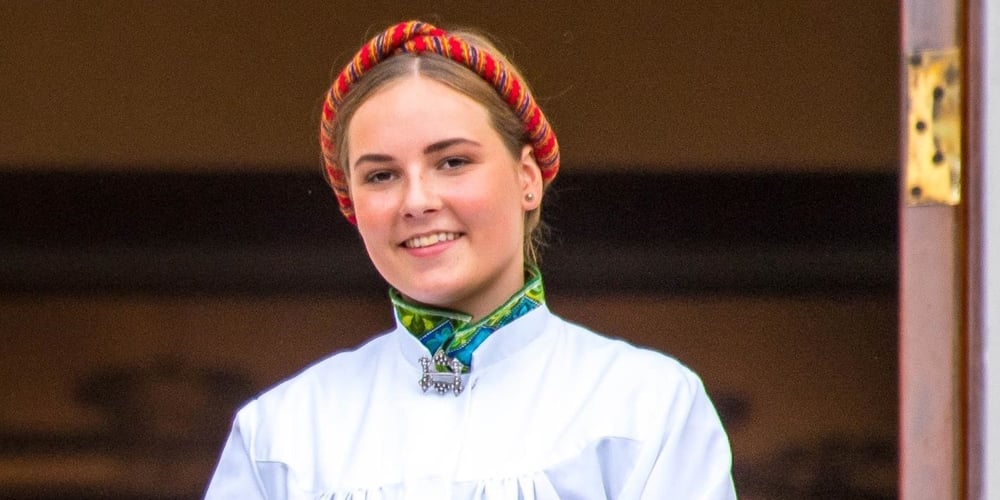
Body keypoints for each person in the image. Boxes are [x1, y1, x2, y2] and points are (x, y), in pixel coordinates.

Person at [205, 20, 736, 499]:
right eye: (381, 175)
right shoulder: (281, 437)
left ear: (527, 178)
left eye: (453, 162)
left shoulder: (646, 408)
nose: (417, 201)